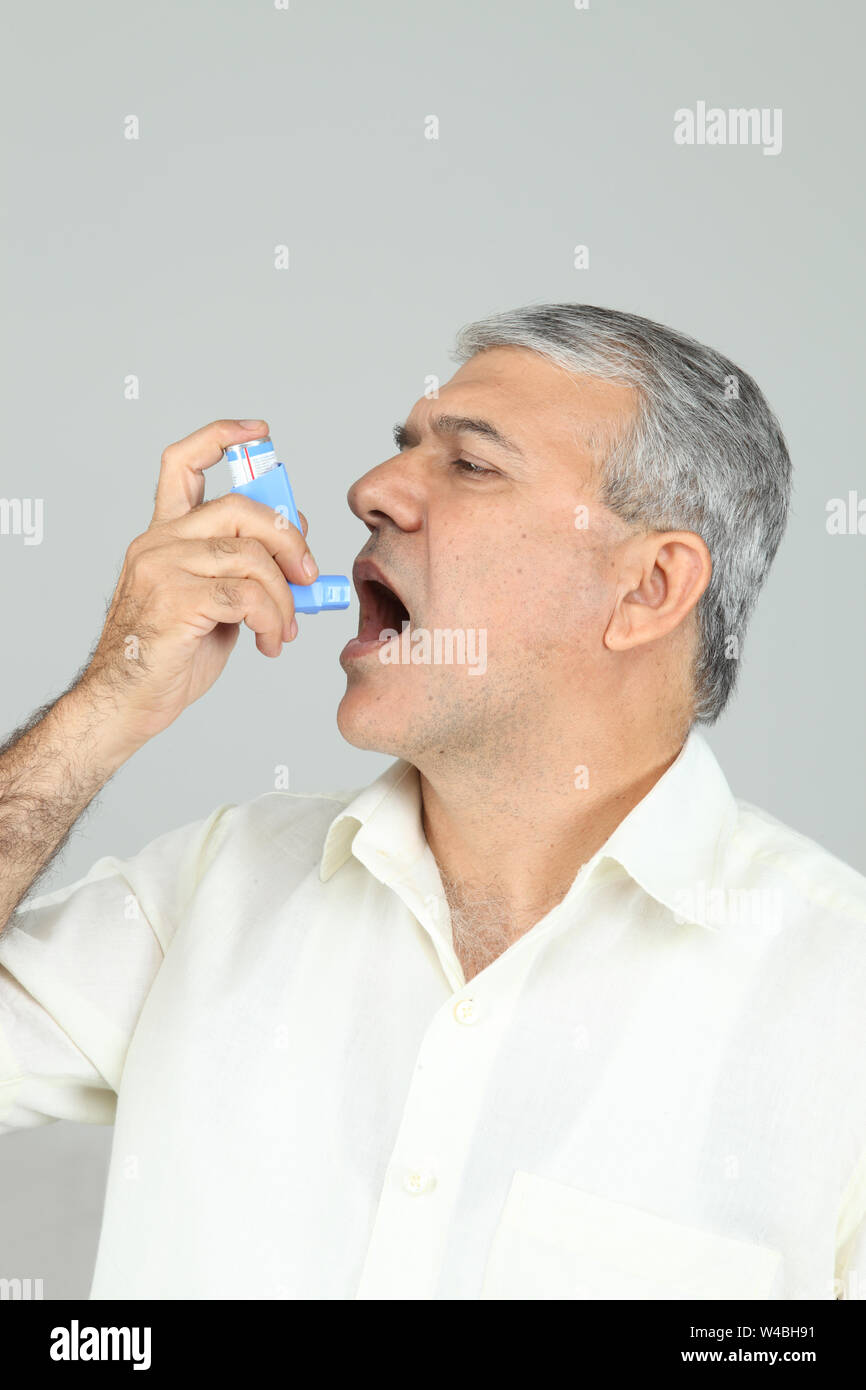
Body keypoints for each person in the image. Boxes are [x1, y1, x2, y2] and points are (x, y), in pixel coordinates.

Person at [1, 303, 864, 1300]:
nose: (370, 491)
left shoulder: (838, 1003)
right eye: (402, 447)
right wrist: (111, 698)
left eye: (470, 465)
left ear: (647, 588)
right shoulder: (214, 889)